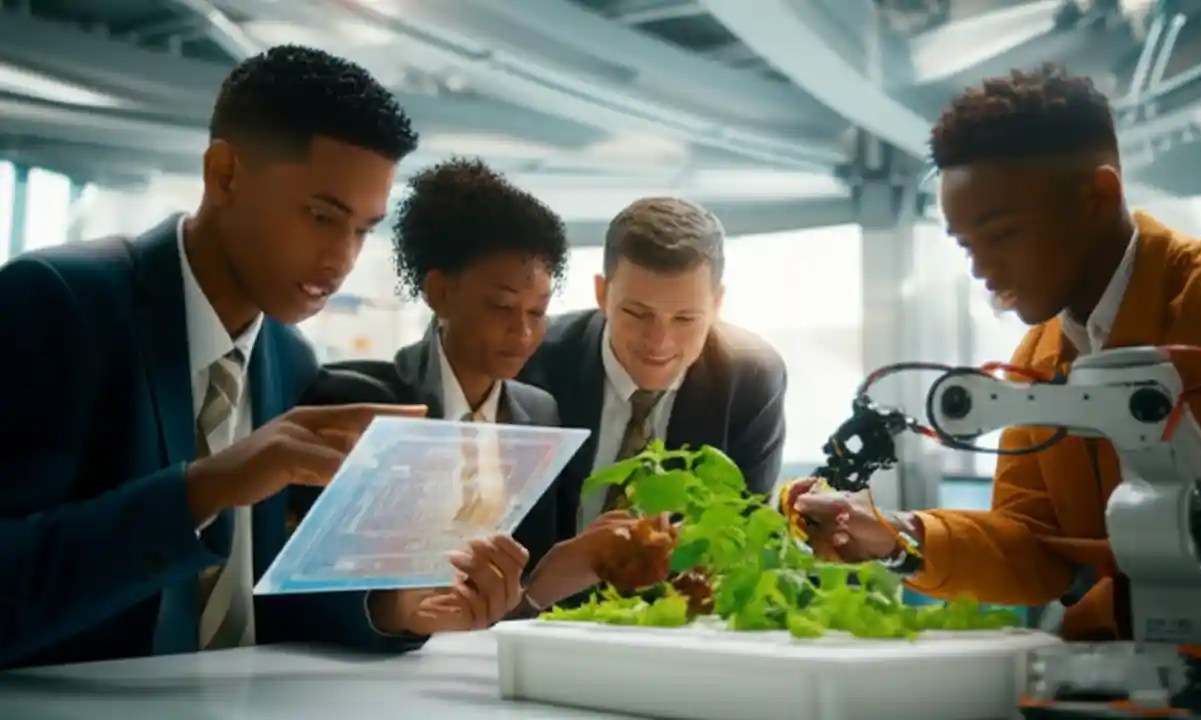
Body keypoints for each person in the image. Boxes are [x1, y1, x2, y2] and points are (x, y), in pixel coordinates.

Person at [0, 46, 525, 669]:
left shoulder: (287, 355)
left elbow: (250, 596)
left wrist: (394, 609)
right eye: (321, 216)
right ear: (224, 174)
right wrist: (208, 486)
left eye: (362, 228)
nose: (342, 259)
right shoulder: (58, 303)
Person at [789, 65, 1201, 646]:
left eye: (1002, 235)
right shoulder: (1039, 357)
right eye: (967, 245)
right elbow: (1031, 543)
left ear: (1100, 196)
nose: (981, 269)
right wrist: (898, 536)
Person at [300, 157, 631, 618]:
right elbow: (302, 591)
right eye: (501, 306)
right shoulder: (354, 398)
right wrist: (393, 613)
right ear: (440, 293)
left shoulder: (538, 414)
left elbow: (520, 599)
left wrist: (557, 573)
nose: (522, 332)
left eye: (537, 312)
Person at [518, 197, 788, 554]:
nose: (659, 342)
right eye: (637, 313)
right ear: (602, 293)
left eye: (685, 319)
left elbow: (742, 536)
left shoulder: (751, 378)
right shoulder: (532, 359)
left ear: (717, 304)